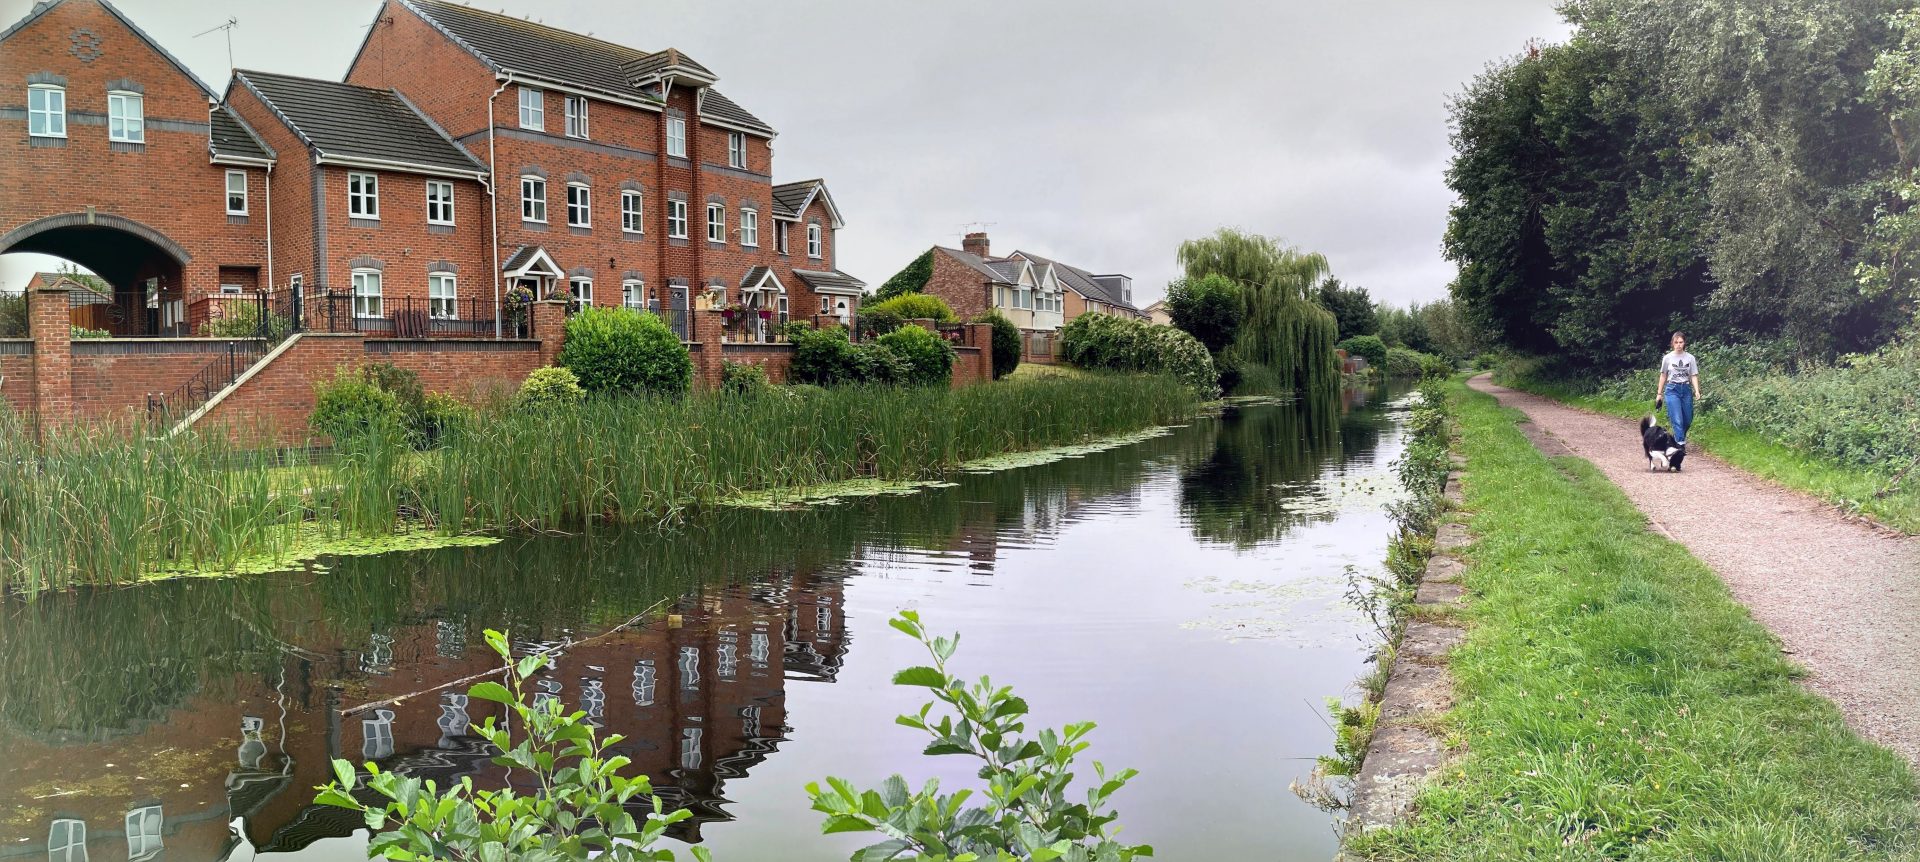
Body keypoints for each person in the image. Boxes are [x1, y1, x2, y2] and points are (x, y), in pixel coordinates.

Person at [1655, 331, 1701, 447]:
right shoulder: (1667, 358)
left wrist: (1697, 390)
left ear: (1684, 343)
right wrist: (1659, 393)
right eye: (1676, 342)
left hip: (1686, 389)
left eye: (1681, 342)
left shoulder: (1690, 358)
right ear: (1672, 343)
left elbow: (1694, 375)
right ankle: (1680, 444)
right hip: (1672, 389)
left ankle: (1677, 438)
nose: (1679, 344)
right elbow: (1663, 375)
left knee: (1688, 419)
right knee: (1677, 419)